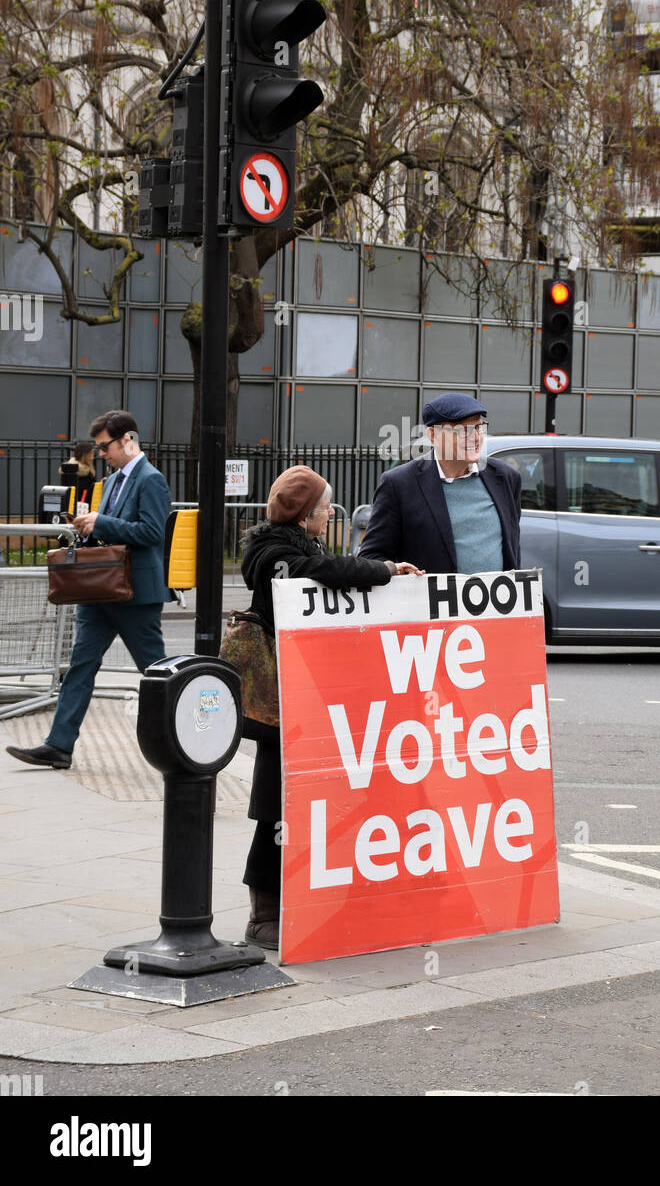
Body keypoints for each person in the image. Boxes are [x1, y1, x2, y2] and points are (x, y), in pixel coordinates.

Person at [238, 465, 422, 949]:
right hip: (284, 704)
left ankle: (310, 898)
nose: (330, 515)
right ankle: (263, 916)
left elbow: (332, 568)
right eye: (324, 508)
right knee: (276, 807)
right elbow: (323, 573)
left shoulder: (300, 545)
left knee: (316, 804)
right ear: (303, 517)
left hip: (312, 698)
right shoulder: (274, 556)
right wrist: (384, 569)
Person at [5, 411, 171, 770]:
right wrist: (87, 531)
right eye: (98, 448)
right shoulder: (111, 482)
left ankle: (181, 742)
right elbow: (110, 533)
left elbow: (152, 533)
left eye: (105, 446)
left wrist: (103, 521)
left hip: (136, 593)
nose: (101, 454)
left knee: (156, 673)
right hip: (101, 589)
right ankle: (59, 746)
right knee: (80, 665)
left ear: (128, 439)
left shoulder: (151, 480)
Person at [358, 393, 522, 573]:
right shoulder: (399, 484)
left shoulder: (505, 477)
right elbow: (371, 557)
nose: (475, 438)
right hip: (428, 600)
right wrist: (396, 571)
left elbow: (513, 550)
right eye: (462, 431)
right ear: (432, 435)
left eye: (478, 427)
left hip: (496, 600)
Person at [58, 440, 97, 504]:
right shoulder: (79, 469)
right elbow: (84, 489)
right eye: (91, 452)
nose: (93, 454)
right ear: (85, 454)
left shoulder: (86, 466)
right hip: (81, 504)